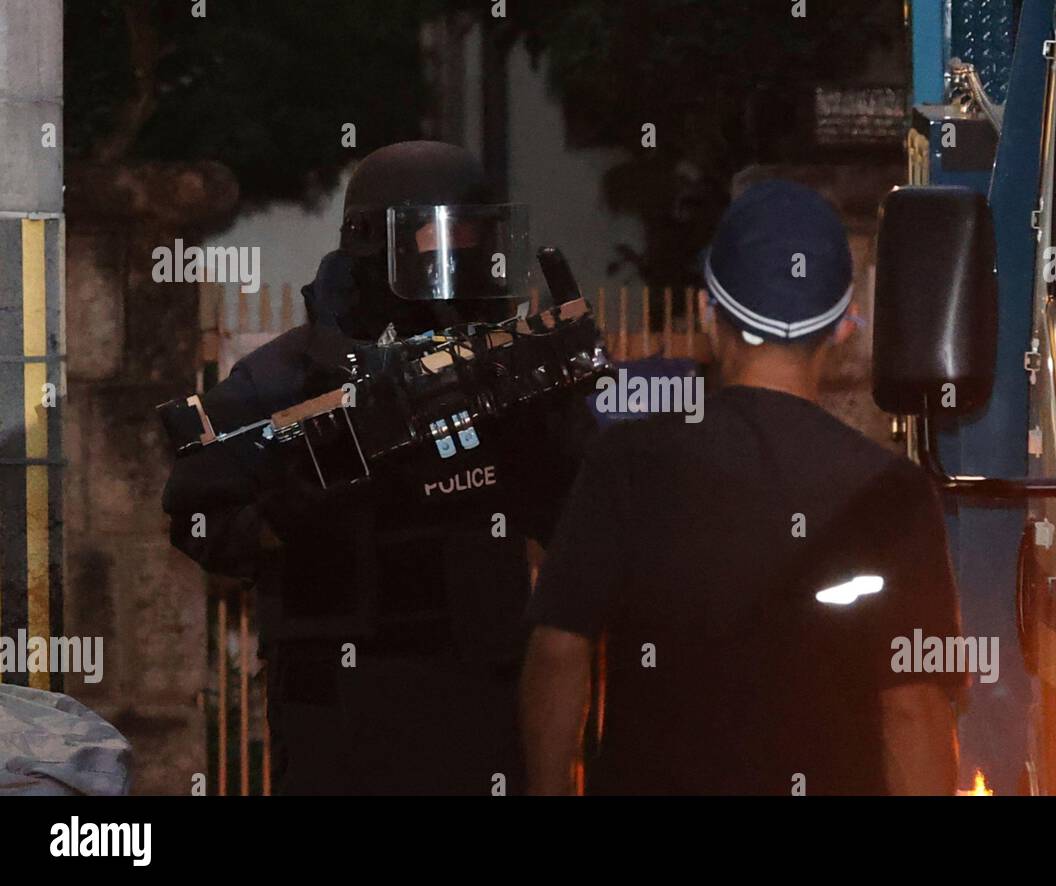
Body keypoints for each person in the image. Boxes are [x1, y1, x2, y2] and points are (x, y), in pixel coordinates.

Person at [163, 141, 593, 795]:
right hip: (334, 728)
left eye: (477, 233)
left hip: (477, 721)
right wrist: (295, 505)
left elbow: (576, 536)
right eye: (440, 233)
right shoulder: (285, 378)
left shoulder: (500, 370)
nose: (464, 252)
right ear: (375, 241)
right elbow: (197, 518)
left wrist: (564, 414)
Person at [521, 180, 963, 795]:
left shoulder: (629, 463)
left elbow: (559, 658)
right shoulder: (894, 494)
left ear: (706, 311)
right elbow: (913, 712)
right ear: (841, 327)